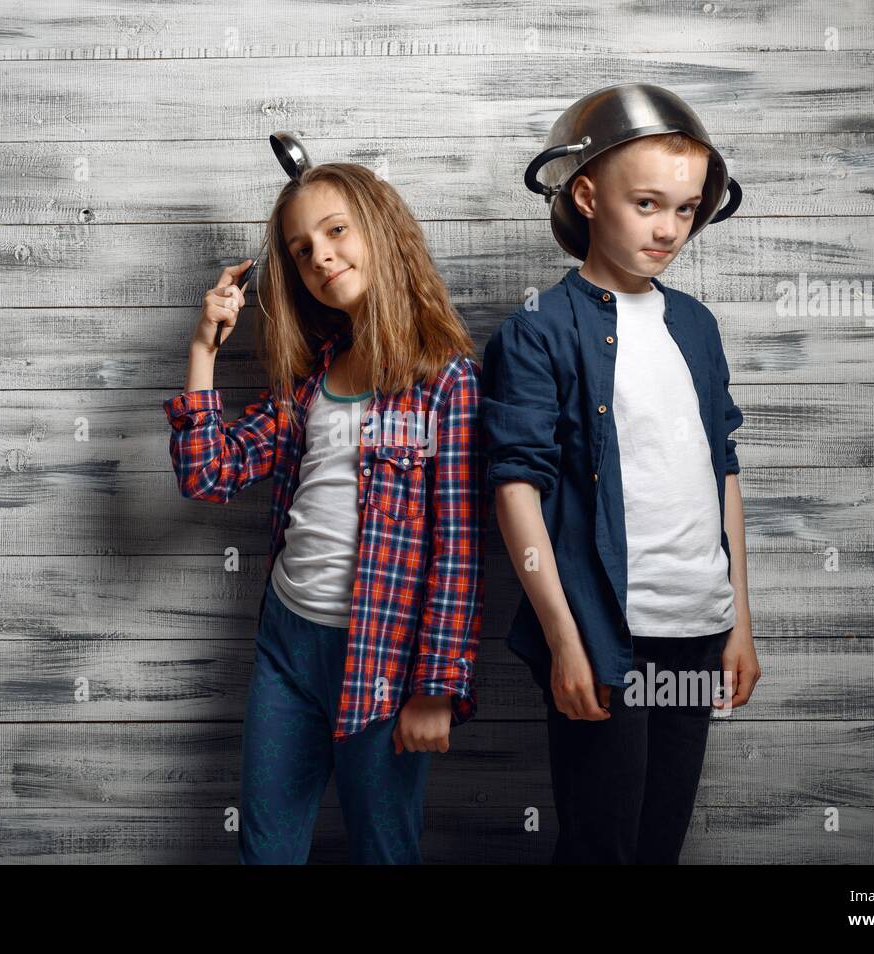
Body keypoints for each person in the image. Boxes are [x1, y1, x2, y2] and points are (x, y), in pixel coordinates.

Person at [166, 162, 485, 864]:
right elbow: (207, 476)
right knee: (267, 849)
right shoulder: (310, 382)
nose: (320, 257)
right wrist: (202, 350)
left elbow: (457, 548)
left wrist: (437, 687)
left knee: (384, 848)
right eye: (301, 249)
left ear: (382, 230)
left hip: (383, 655)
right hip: (287, 643)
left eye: (335, 231)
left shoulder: (445, 379)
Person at [482, 84, 762, 864]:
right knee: (600, 842)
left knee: (657, 842)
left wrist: (738, 621)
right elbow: (516, 491)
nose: (669, 228)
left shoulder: (697, 327)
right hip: (608, 638)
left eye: (685, 208)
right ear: (586, 194)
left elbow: (723, 472)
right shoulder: (539, 330)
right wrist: (563, 639)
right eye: (647, 203)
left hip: (698, 631)